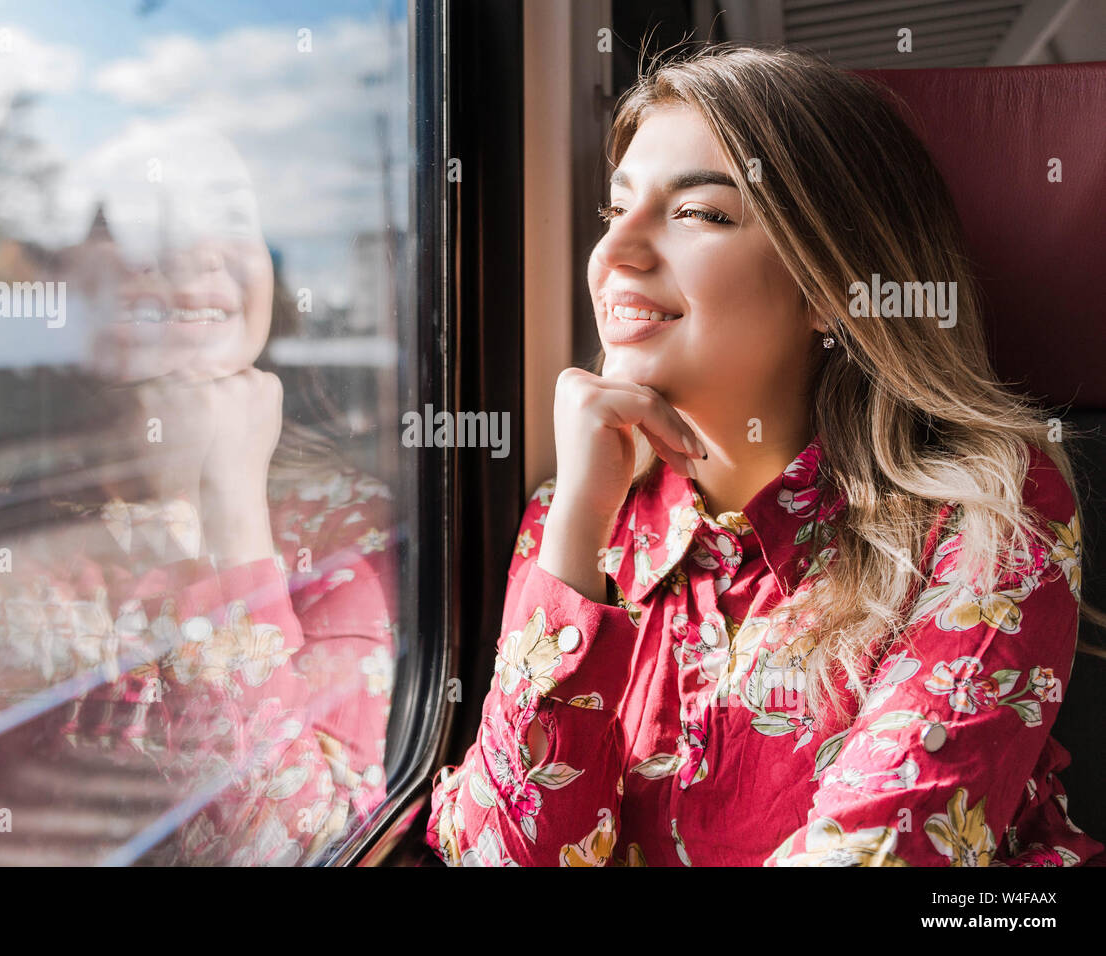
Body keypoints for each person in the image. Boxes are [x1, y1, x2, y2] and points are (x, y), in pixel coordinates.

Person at [426, 43, 1105, 867]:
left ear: (829, 285)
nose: (615, 255)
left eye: (701, 214)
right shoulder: (570, 515)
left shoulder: (991, 512)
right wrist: (573, 534)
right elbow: (498, 856)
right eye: (615, 211)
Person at [0, 126, 398, 867]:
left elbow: (299, 852)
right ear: (56, 274)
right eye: (145, 217)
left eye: (231, 219)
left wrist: (234, 518)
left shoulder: (342, 527)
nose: (198, 251)